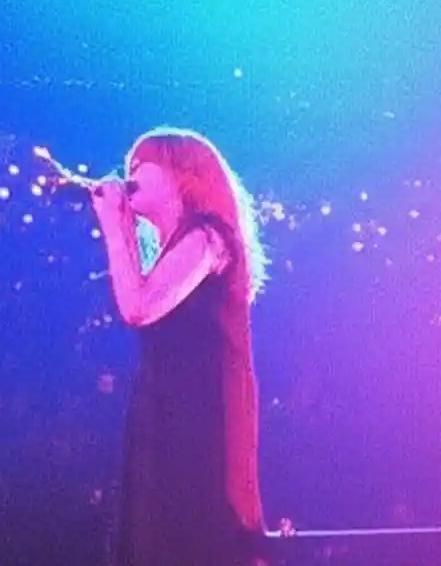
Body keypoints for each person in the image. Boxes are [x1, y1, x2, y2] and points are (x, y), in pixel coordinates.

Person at [89, 127, 270, 566]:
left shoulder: (210, 239)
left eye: (141, 164)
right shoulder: (174, 248)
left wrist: (114, 227)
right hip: (159, 419)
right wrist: (125, 233)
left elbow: (139, 307)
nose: (129, 172)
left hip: (197, 428)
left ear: (180, 174)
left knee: (187, 537)